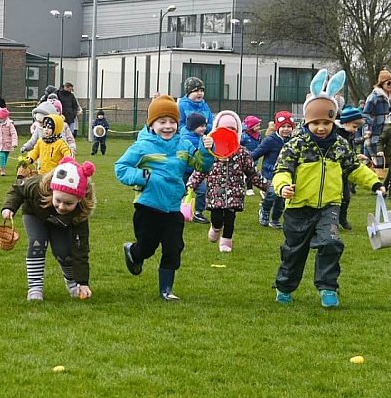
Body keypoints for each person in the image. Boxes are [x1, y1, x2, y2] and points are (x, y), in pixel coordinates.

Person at [272, 70, 382, 308]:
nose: (321, 128)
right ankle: (285, 286)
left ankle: (327, 287)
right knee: (294, 251)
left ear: (333, 121)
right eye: (316, 123)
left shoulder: (340, 145)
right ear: (307, 122)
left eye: (326, 122)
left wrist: (374, 182)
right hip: (298, 208)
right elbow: (281, 170)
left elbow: (354, 167)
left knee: (331, 244)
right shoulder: (296, 145)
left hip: (329, 207)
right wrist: (282, 187)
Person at [116, 95, 215, 302]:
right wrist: (142, 178)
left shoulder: (183, 144)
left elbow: (200, 166)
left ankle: (166, 290)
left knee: (174, 247)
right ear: (151, 124)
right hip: (148, 207)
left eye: (172, 122)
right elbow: (121, 168)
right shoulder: (142, 146)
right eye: (162, 122)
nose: (168, 126)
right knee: (148, 247)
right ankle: (133, 252)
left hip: (172, 208)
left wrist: (207, 151)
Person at [2, 157, 95, 301]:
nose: (62, 206)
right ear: (52, 191)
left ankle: (72, 283)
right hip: (35, 214)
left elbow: (80, 248)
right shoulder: (36, 186)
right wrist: (10, 207)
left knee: (63, 251)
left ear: (79, 200)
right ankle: (35, 287)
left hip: (60, 222)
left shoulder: (79, 214)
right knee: (37, 243)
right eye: (58, 200)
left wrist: (82, 282)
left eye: (69, 203)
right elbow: (18, 189)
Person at [192, 110, 268, 253]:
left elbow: (252, 173)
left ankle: (226, 240)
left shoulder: (242, 152)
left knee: (230, 217)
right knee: (216, 216)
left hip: (235, 192)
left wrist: (266, 186)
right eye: (224, 129)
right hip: (216, 192)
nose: (228, 132)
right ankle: (215, 227)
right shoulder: (210, 151)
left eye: (232, 129)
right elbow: (201, 169)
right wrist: (191, 185)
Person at [251, 111, 294, 229]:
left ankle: (275, 219)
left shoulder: (293, 141)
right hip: (269, 172)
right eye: (283, 126)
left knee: (281, 199)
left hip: (285, 173)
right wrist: (246, 161)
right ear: (277, 127)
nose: (286, 129)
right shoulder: (270, 140)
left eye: (289, 126)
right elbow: (256, 153)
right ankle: (264, 210)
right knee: (272, 194)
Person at [363, 69, 391, 154]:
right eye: (388, 83)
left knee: (385, 159)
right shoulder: (374, 97)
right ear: (381, 83)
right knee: (372, 159)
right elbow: (365, 114)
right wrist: (368, 129)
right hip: (375, 132)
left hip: (388, 132)